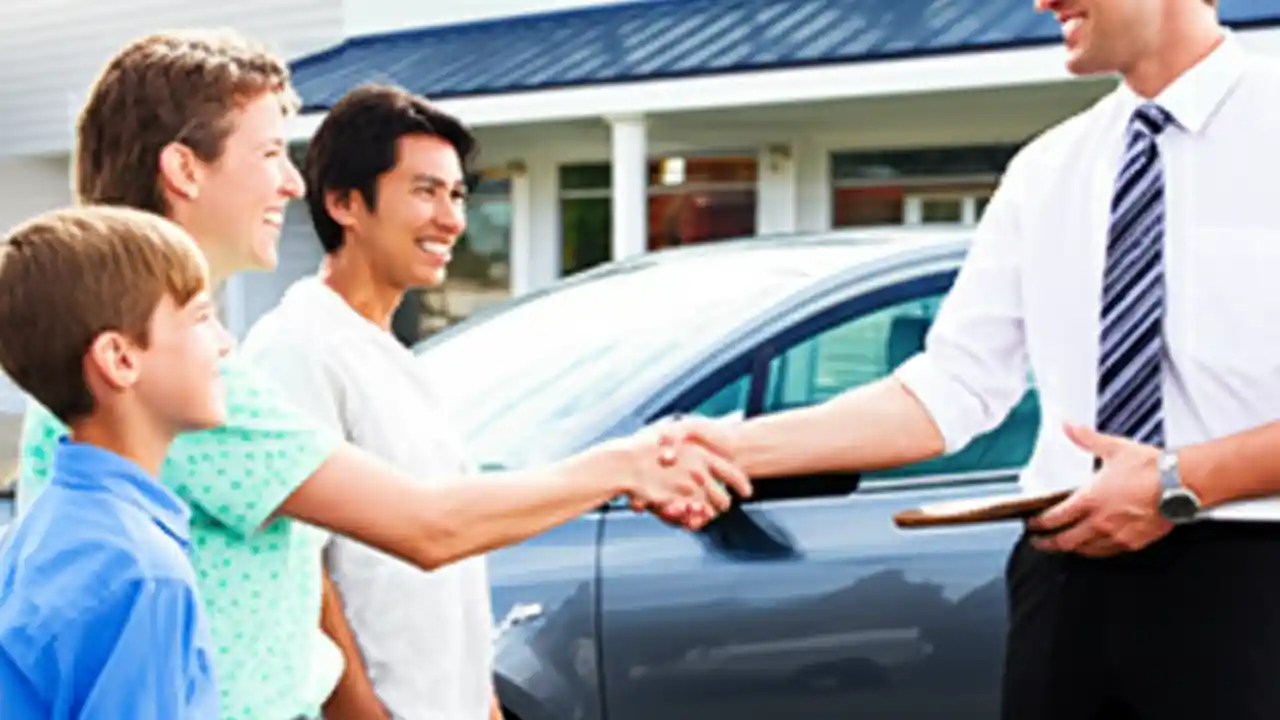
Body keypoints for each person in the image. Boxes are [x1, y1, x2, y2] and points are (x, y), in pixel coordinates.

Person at [15, 31, 749, 720]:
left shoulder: (156, 362)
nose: (291, 185)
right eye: (270, 153)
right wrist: (624, 464)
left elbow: (291, 590)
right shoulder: (166, 383)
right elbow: (427, 526)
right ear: (183, 168)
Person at [704, 0, 1280, 717]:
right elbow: (951, 387)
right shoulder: (1046, 168)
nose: (1041, 1)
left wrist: (1178, 479)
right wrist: (722, 447)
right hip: (1063, 585)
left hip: (1252, 578)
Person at [240, 83, 499, 720]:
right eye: (424, 191)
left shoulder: (393, 356)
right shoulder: (298, 346)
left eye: (456, 194)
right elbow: (299, 562)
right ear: (345, 204)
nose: (451, 219)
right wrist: (359, 709)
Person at [0, 206, 230, 719]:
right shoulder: (143, 573)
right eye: (200, 317)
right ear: (119, 358)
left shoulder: (40, 530)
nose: (224, 343)